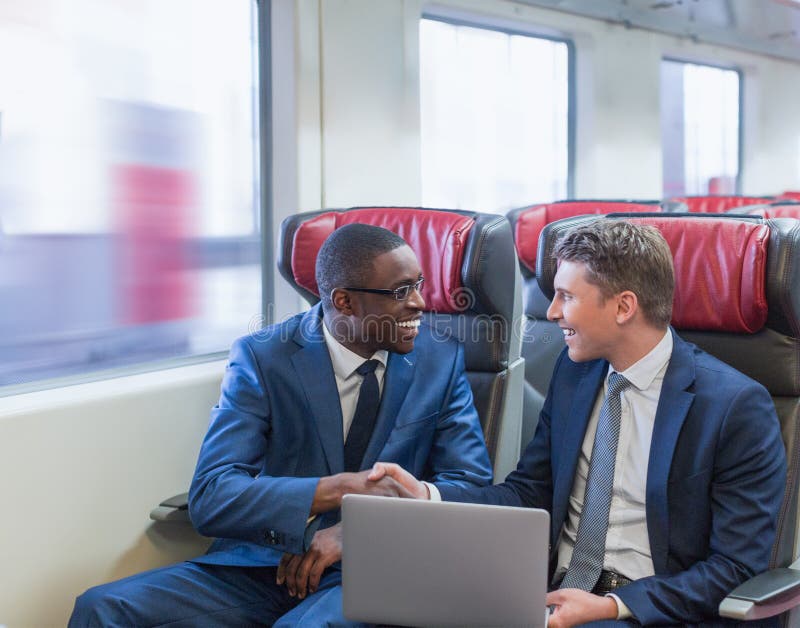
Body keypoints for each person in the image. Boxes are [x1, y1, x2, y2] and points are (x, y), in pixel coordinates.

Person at [69, 223, 492, 626]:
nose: (419, 302)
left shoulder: (440, 359)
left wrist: (360, 532)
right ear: (344, 301)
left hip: (379, 566)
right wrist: (339, 489)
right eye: (401, 291)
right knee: (103, 608)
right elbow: (212, 496)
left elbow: (471, 485)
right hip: (266, 564)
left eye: (419, 285)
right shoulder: (264, 357)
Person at [373, 220, 786, 627]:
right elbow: (529, 492)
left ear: (624, 307)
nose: (551, 313)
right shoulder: (575, 374)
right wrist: (428, 496)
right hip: (552, 595)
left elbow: (734, 568)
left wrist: (611, 606)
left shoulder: (733, 407)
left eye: (566, 297)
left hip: (650, 609)